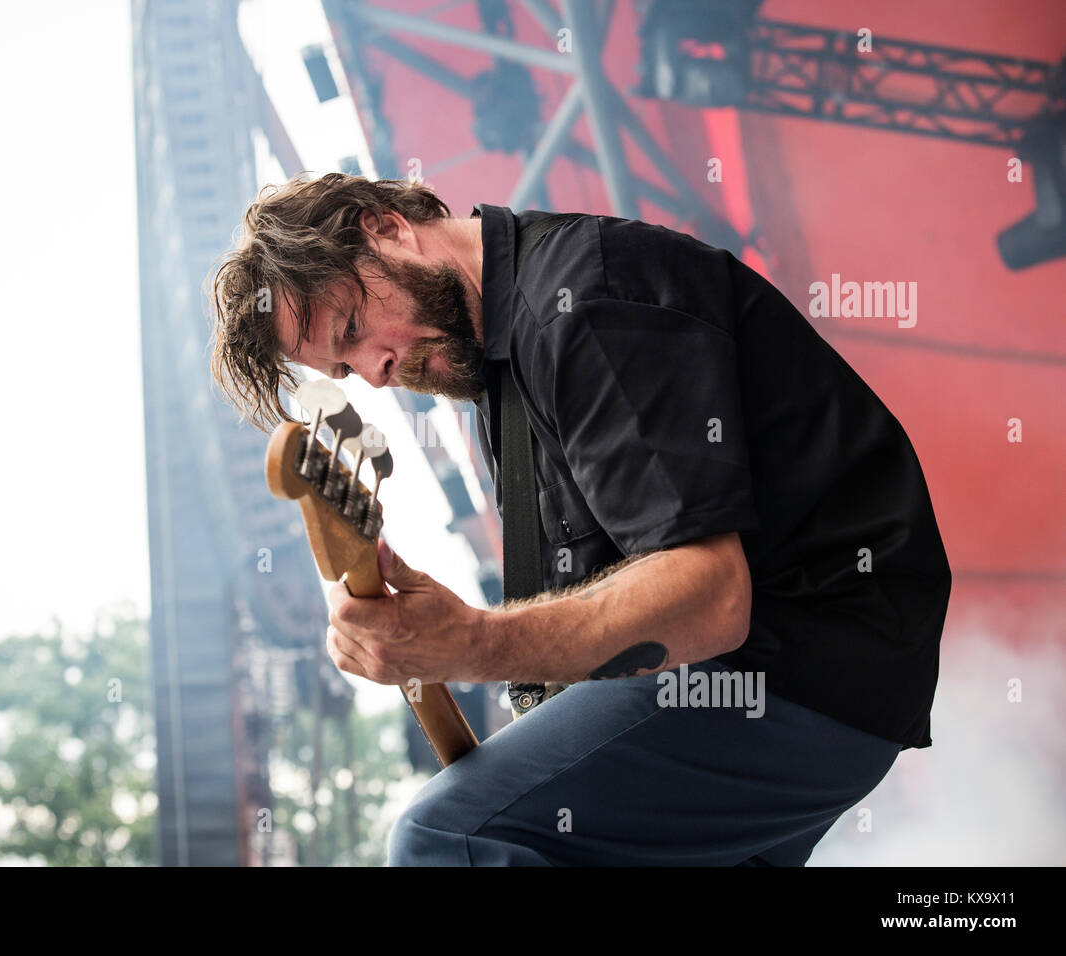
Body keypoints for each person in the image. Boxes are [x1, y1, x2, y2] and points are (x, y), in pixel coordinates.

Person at [208, 172, 952, 866]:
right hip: (797, 686)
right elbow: (609, 627)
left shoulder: (583, 297)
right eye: (344, 370)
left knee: (443, 838)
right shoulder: (502, 379)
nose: (374, 371)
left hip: (801, 660)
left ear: (387, 229)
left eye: (352, 328)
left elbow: (710, 597)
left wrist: (468, 642)